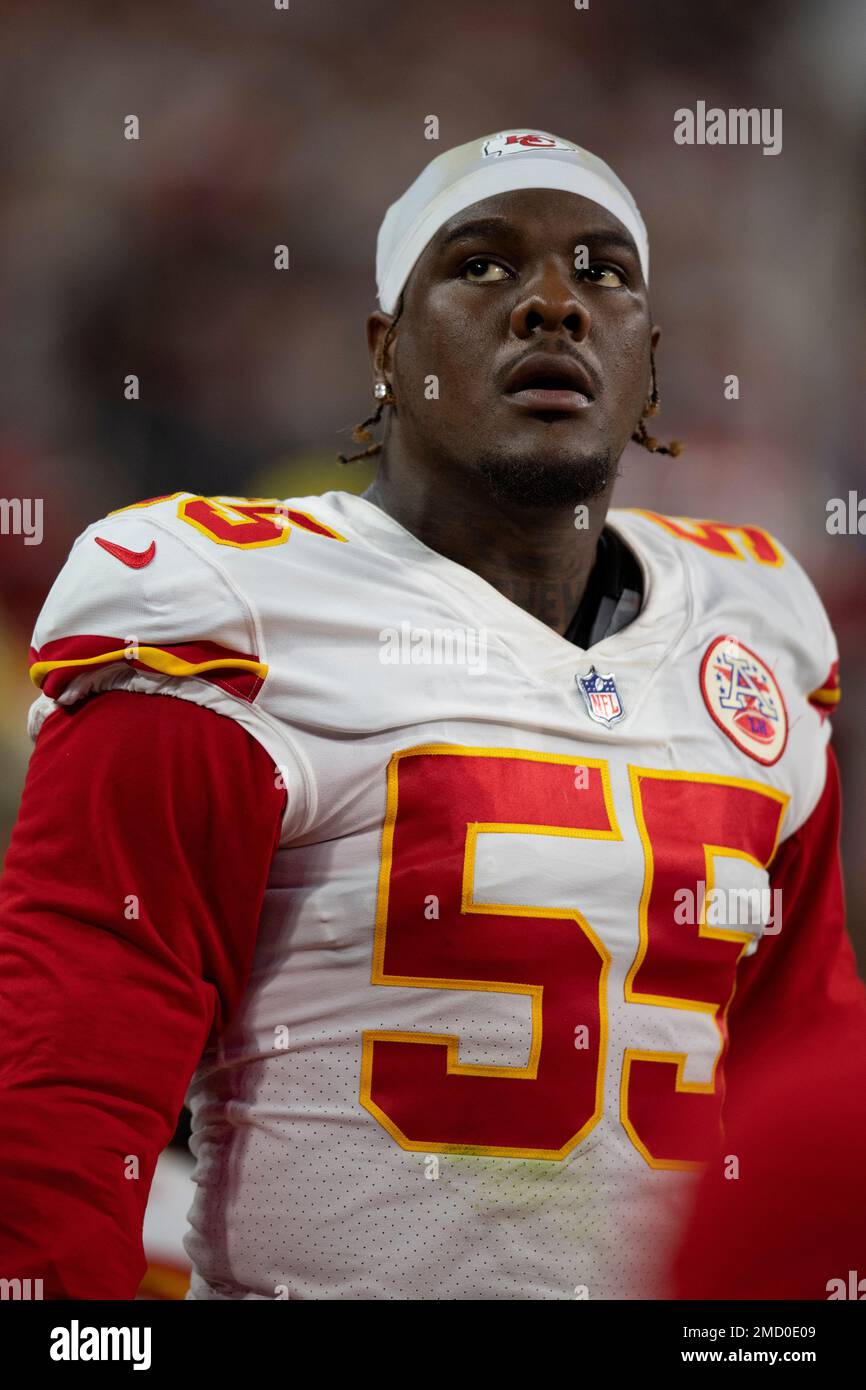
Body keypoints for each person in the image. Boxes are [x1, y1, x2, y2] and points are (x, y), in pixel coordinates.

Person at [1, 129, 863, 1301]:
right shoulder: (233, 610)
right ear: (385, 350)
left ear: (648, 363)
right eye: (481, 265)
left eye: (602, 273)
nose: (552, 304)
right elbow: (69, 1083)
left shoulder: (751, 625)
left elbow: (797, 1082)